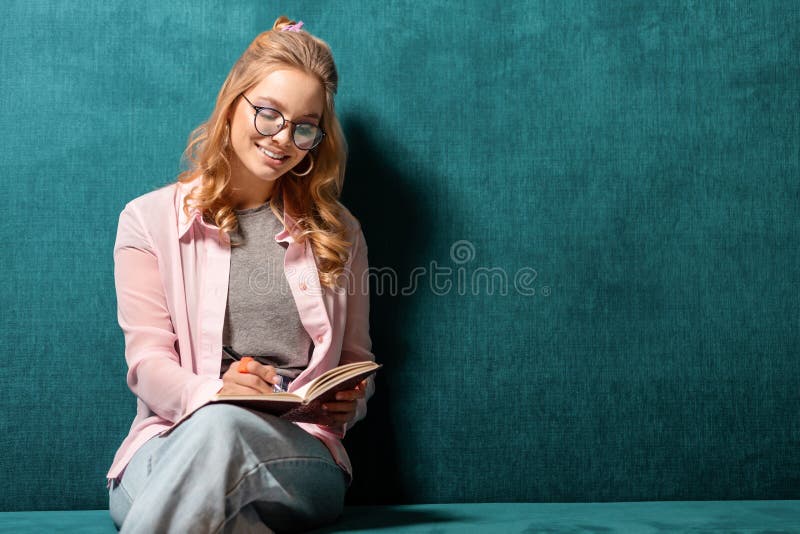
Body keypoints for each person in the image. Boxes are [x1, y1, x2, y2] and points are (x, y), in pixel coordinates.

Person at [106, 16, 376, 533]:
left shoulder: (340, 232)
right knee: (224, 466)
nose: (284, 139)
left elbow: (355, 362)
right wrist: (215, 394)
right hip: (167, 445)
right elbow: (147, 363)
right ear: (234, 103)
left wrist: (348, 406)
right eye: (269, 114)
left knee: (225, 429)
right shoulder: (147, 220)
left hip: (299, 455)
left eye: (304, 126)